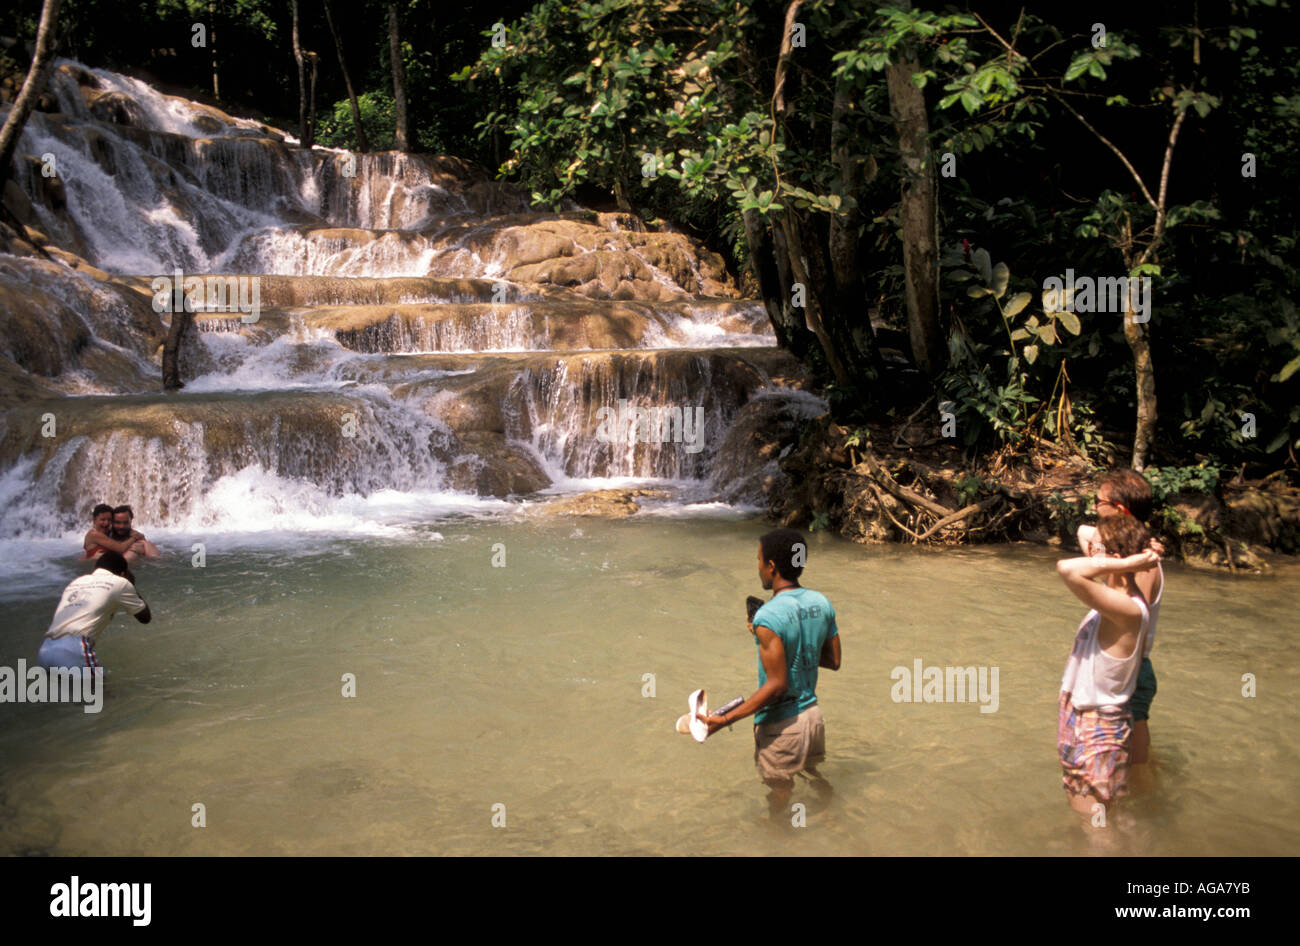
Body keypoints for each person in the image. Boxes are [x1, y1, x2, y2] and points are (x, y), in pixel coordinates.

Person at [700, 528, 841, 818]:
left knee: (778, 801)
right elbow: (833, 660)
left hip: (782, 728)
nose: (758, 567)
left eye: (759, 560)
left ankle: (779, 840)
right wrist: (769, 638)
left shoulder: (769, 616)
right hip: (813, 721)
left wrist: (723, 719)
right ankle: (833, 825)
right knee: (814, 780)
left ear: (772, 566)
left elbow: (777, 686)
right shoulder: (821, 602)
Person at [1056, 515, 1159, 818]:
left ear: (1115, 560)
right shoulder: (1112, 596)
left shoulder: (1127, 609)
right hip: (1089, 722)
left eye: (1097, 550)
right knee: (1102, 820)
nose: (1089, 552)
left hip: (1097, 727)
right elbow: (1084, 532)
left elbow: (1067, 569)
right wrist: (1131, 556)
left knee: (1096, 827)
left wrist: (1127, 562)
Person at [1075, 470, 1163, 764]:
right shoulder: (1127, 556)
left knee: (1133, 766)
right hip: (1124, 667)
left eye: (1098, 501)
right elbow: (1084, 532)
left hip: (1131, 670)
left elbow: (1134, 613)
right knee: (1123, 756)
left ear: (1119, 509)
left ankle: (1139, 802)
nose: (1093, 507)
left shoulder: (1145, 565)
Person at [39, 550, 152, 672]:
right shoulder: (120, 582)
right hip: (74, 648)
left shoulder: (76, 582)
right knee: (100, 691)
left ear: (96, 567)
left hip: (46, 649)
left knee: (68, 691)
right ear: (122, 573)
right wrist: (131, 585)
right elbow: (145, 617)